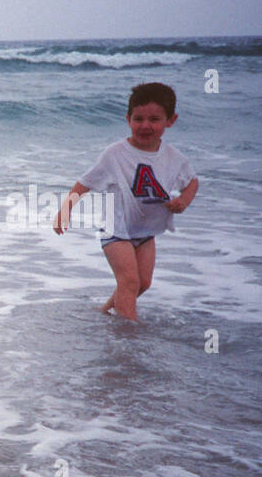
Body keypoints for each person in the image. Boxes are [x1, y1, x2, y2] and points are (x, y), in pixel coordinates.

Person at [53, 82, 198, 321]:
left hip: (145, 231)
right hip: (116, 229)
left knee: (143, 283)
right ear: (128, 119)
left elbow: (192, 182)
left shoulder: (173, 157)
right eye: (138, 119)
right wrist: (65, 210)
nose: (145, 126)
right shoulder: (115, 154)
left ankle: (106, 312)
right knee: (129, 282)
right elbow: (85, 182)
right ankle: (126, 340)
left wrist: (184, 200)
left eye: (154, 119)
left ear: (170, 121)